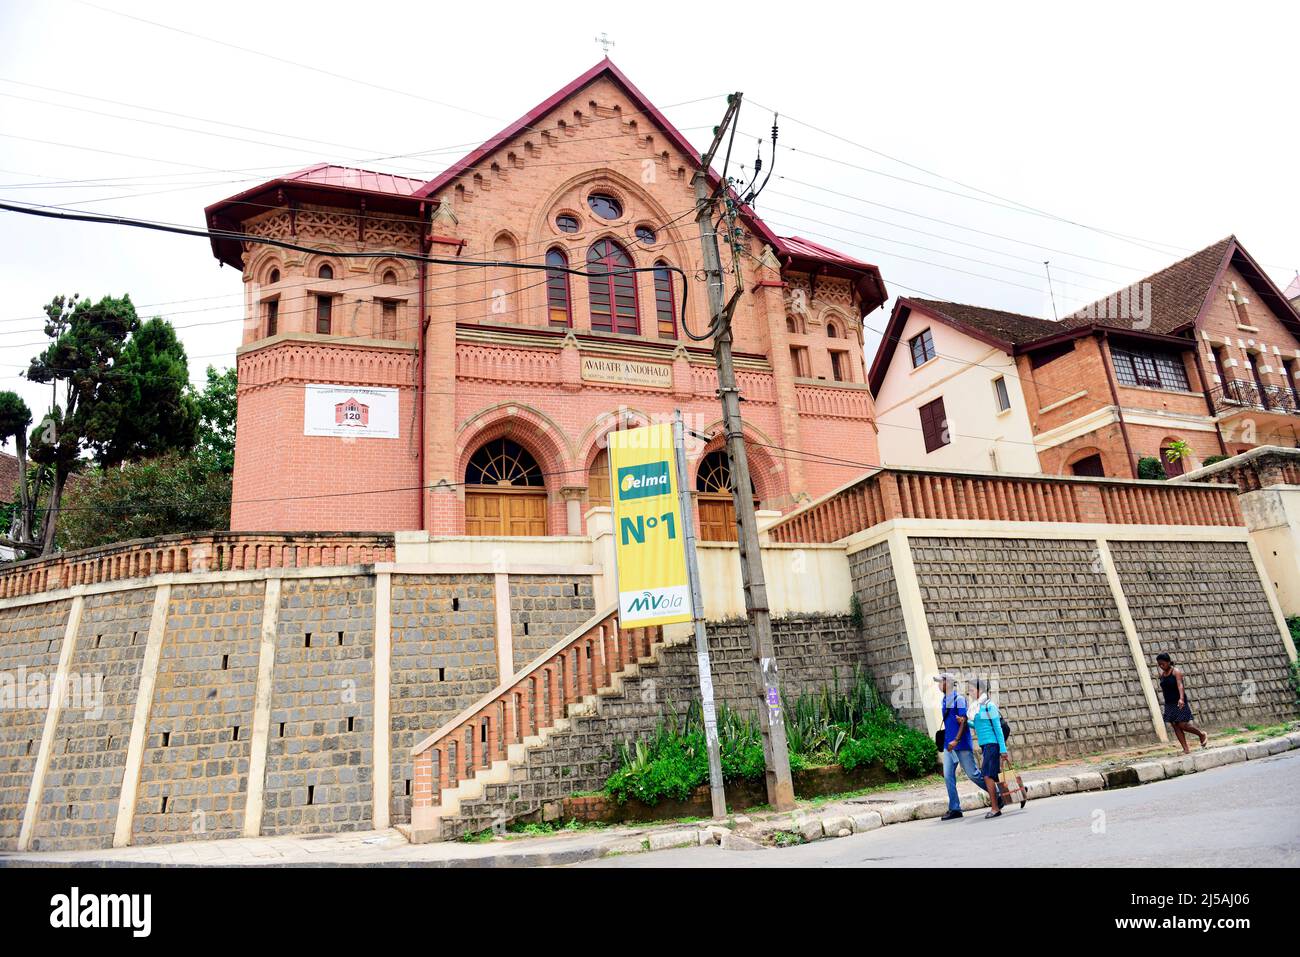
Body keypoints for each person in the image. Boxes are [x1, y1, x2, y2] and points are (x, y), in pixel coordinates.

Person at [966, 678, 1024, 819]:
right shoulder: (978, 707)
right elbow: (980, 726)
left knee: (987, 775)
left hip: (993, 744)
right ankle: (1018, 790)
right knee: (994, 775)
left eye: (972, 690)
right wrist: (967, 722)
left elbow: (997, 729)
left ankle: (995, 808)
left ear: (980, 690)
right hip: (986, 745)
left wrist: (1003, 750)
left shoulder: (989, 706)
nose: (970, 692)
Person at [933, 673, 984, 820]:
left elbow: (963, 721)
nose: (938, 685)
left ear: (947, 683)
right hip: (948, 745)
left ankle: (997, 794)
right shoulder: (944, 699)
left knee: (973, 774)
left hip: (960, 744)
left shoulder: (960, 700)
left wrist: (956, 740)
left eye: (939, 682)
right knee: (948, 776)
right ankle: (955, 808)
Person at [1155, 653, 1208, 753]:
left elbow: (1180, 685)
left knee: (1183, 725)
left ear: (1168, 662)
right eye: (1159, 665)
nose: (1161, 666)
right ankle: (1185, 749)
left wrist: (1181, 699)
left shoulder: (1176, 672)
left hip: (1179, 701)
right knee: (1175, 725)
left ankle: (1201, 734)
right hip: (1169, 703)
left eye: (1163, 664)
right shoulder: (1162, 675)